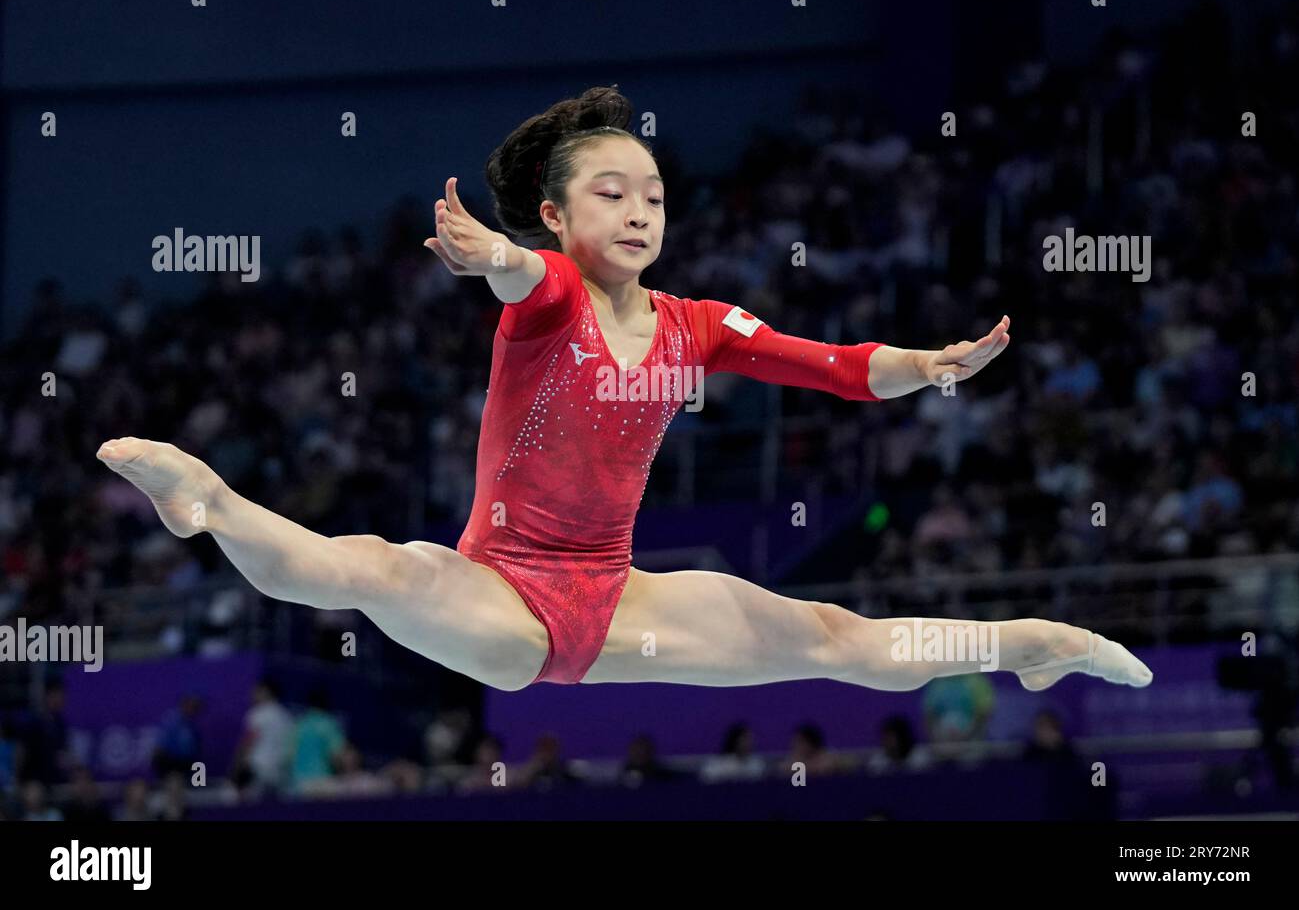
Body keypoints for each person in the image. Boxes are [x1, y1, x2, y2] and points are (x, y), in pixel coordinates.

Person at [95, 85, 1152, 695]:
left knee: (836, 636)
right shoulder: (550, 293)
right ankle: (210, 501)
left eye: (652, 193)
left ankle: (1033, 646)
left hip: (622, 594)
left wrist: (925, 366)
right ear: (556, 217)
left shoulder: (694, 325)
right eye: (611, 193)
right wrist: (488, 254)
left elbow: (826, 365)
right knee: (374, 566)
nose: (641, 210)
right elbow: (517, 274)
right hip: (501, 591)